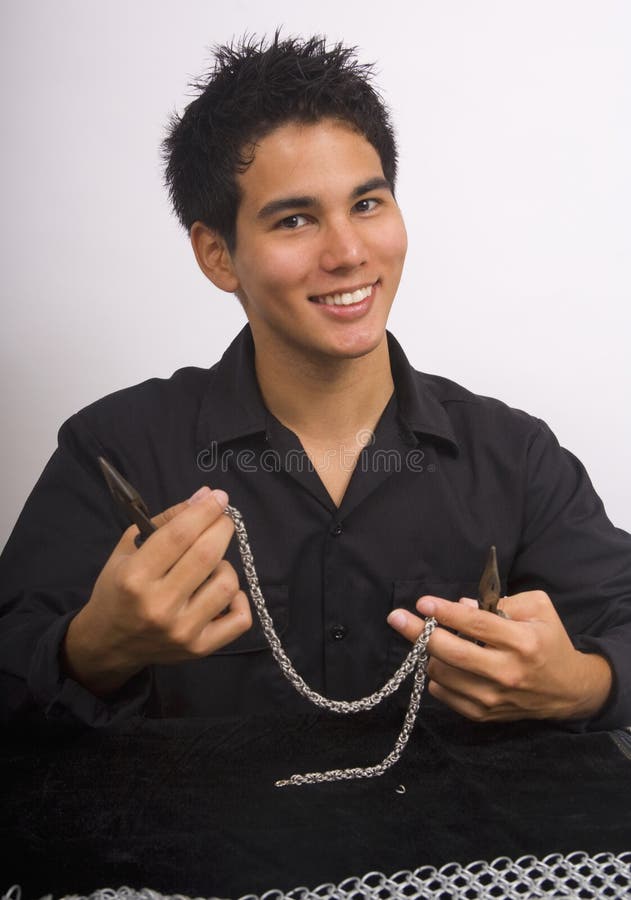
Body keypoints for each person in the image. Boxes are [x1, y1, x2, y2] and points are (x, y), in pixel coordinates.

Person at [0, 33, 629, 731]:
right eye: (295, 219)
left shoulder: (514, 456)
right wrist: (91, 651)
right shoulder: (115, 449)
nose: (349, 252)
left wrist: (582, 684)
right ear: (218, 256)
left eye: (366, 205)